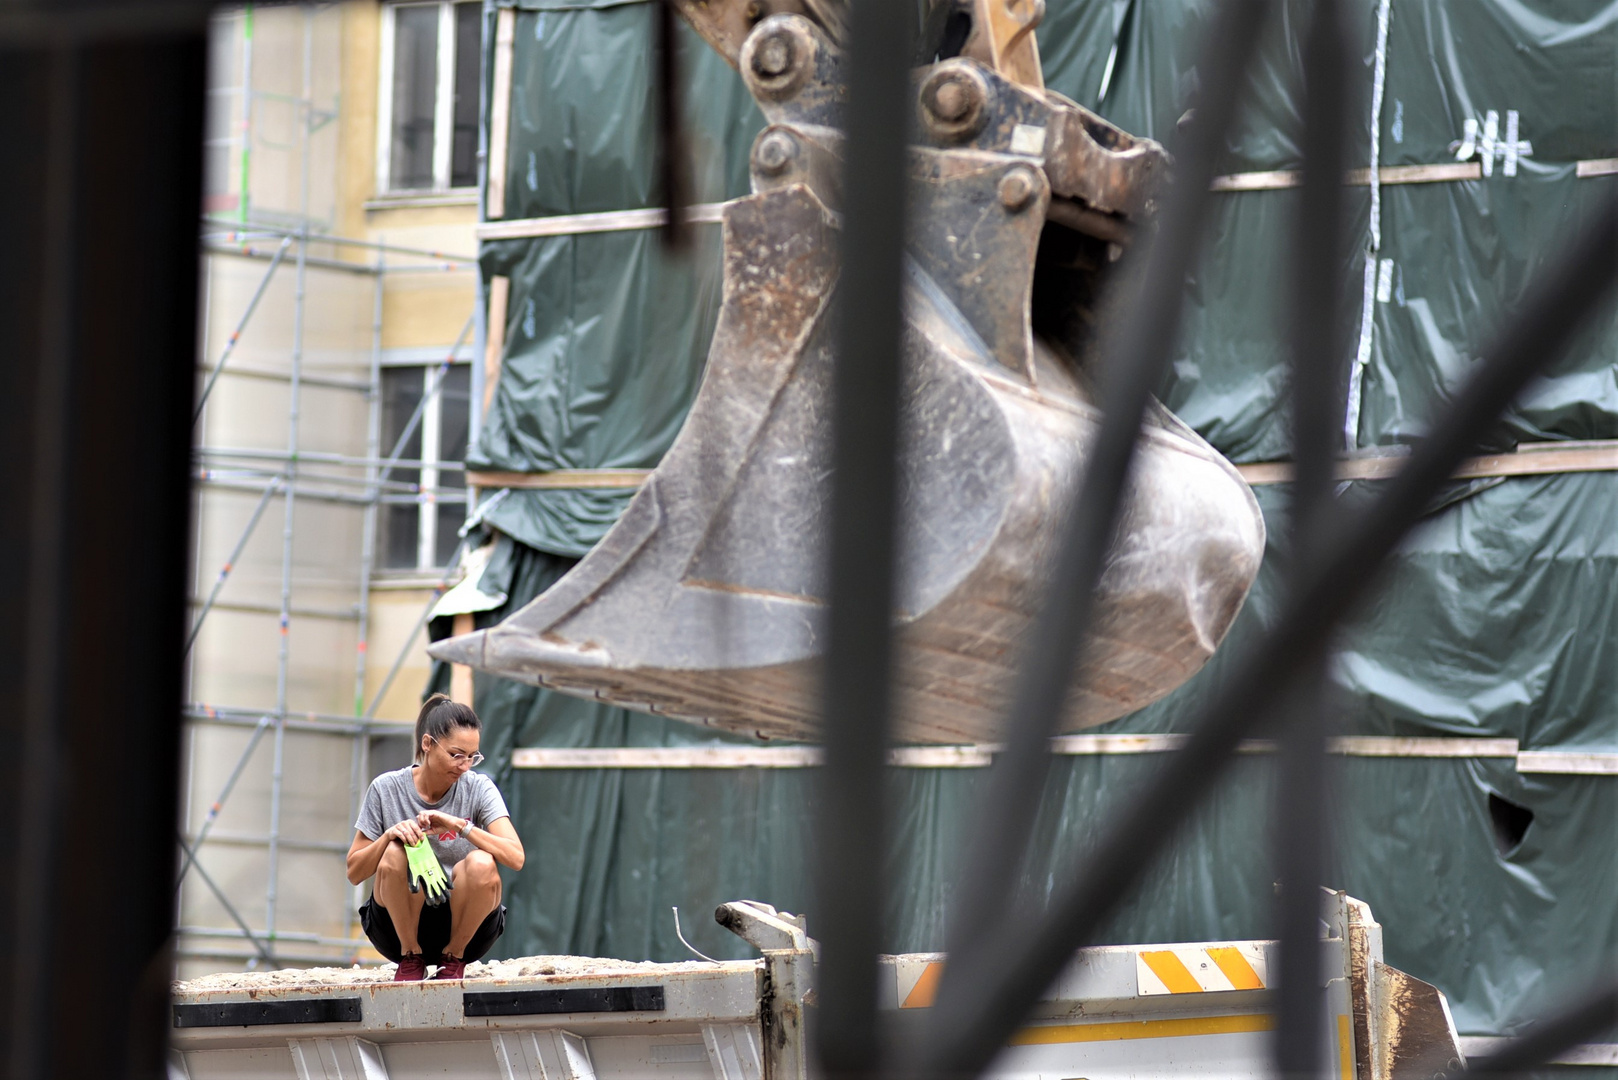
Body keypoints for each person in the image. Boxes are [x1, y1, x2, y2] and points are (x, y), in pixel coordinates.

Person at [346, 694, 525, 981]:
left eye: (472, 756)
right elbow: (354, 872)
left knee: (482, 862)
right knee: (395, 851)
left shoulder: (479, 788)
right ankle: (411, 957)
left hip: (465, 930)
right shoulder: (386, 788)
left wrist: (462, 826)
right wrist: (390, 836)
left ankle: (452, 959)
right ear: (427, 744)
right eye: (456, 755)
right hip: (396, 927)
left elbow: (515, 857)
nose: (464, 765)